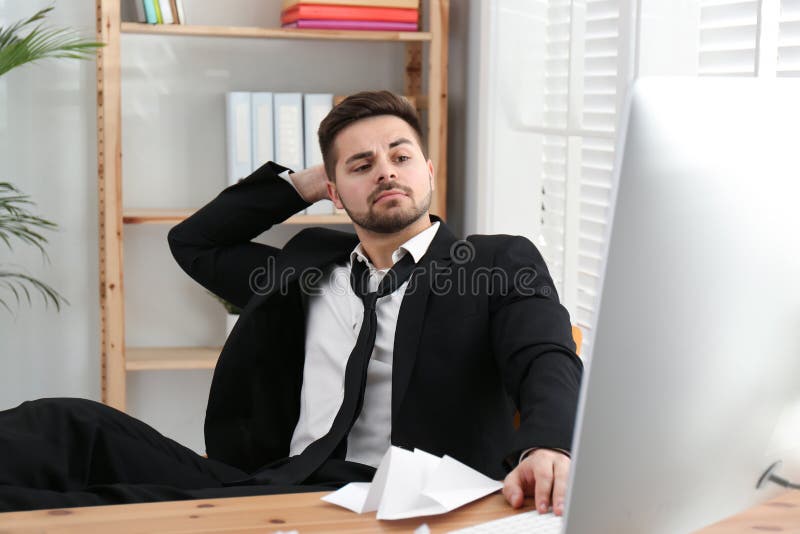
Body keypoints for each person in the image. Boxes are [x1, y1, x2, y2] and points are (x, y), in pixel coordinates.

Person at [0, 91, 582, 514]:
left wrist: (549, 443)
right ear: (333, 191)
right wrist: (307, 181)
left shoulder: (490, 264)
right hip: (279, 487)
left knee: (100, 506)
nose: (385, 172)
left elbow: (544, 354)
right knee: (65, 424)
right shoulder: (307, 267)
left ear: (428, 170)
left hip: (405, 504)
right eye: (362, 165)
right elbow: (195, 243)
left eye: (401, 157)